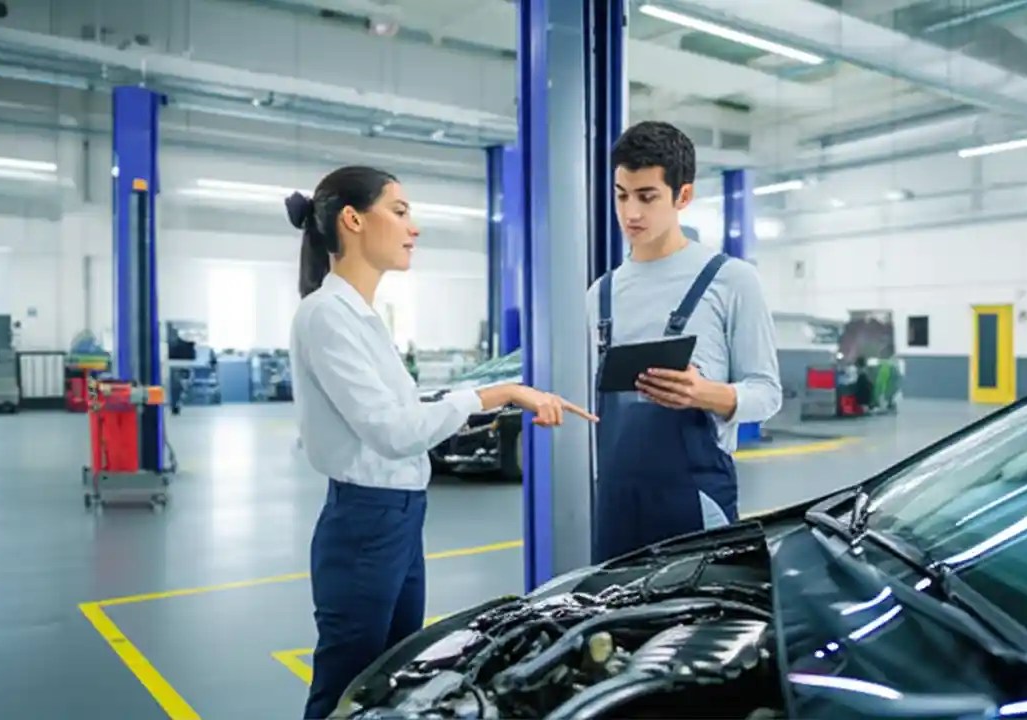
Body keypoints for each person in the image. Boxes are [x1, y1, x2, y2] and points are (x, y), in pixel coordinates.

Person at [285, 165, 597, 719]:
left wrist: (488, 394)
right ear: (353, 220)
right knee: (345, 689)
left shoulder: (361, 318)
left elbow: (404, 413)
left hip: (400, 518)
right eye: (400, 211)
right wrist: (497, 394)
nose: (414, 227)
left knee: (393, 681)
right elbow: (394, 432)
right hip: (365, 525)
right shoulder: (326, 316)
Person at [587, 121, 783, 563]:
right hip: (614, 505)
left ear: (683, 197)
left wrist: (706, 394)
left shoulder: (731, 280)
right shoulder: (599, 295)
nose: (631, 213)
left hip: (695, 503)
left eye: (647, 197)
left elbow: (768, 393)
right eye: (622, 195)